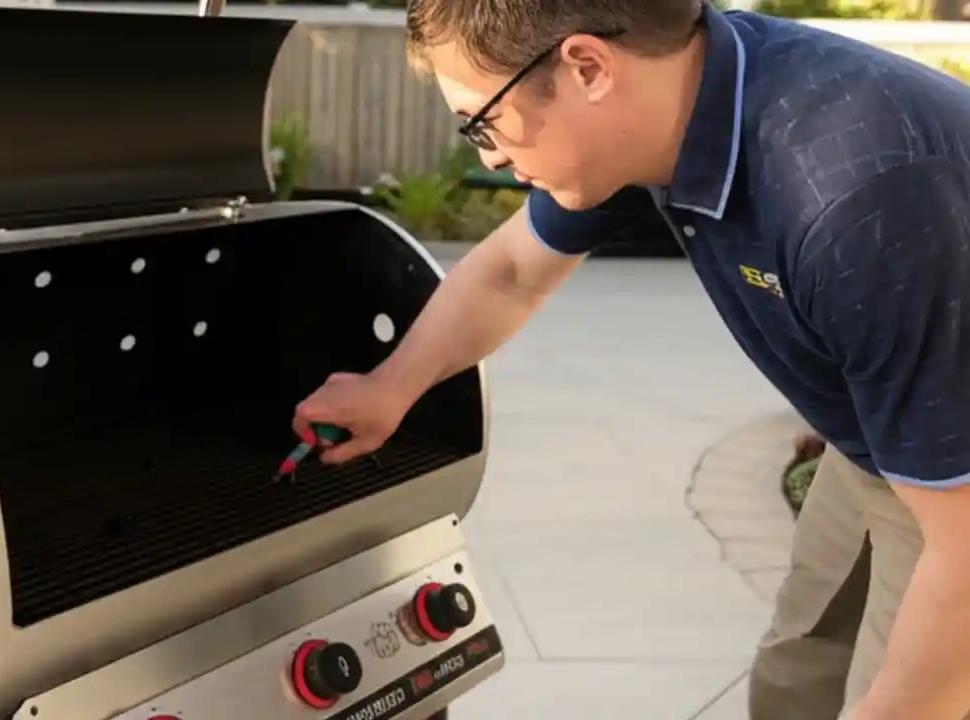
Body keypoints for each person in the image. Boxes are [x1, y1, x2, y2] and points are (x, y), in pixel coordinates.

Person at [291, 1, 970, 718]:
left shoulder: (853, 198)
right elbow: (513, 272)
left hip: (954, 472)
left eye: (481, 121)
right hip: (886, 431)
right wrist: (389, 388)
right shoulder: (671, 100)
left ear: (587, 66)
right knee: (798, 677)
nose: (485, 155)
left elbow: (962, 553)